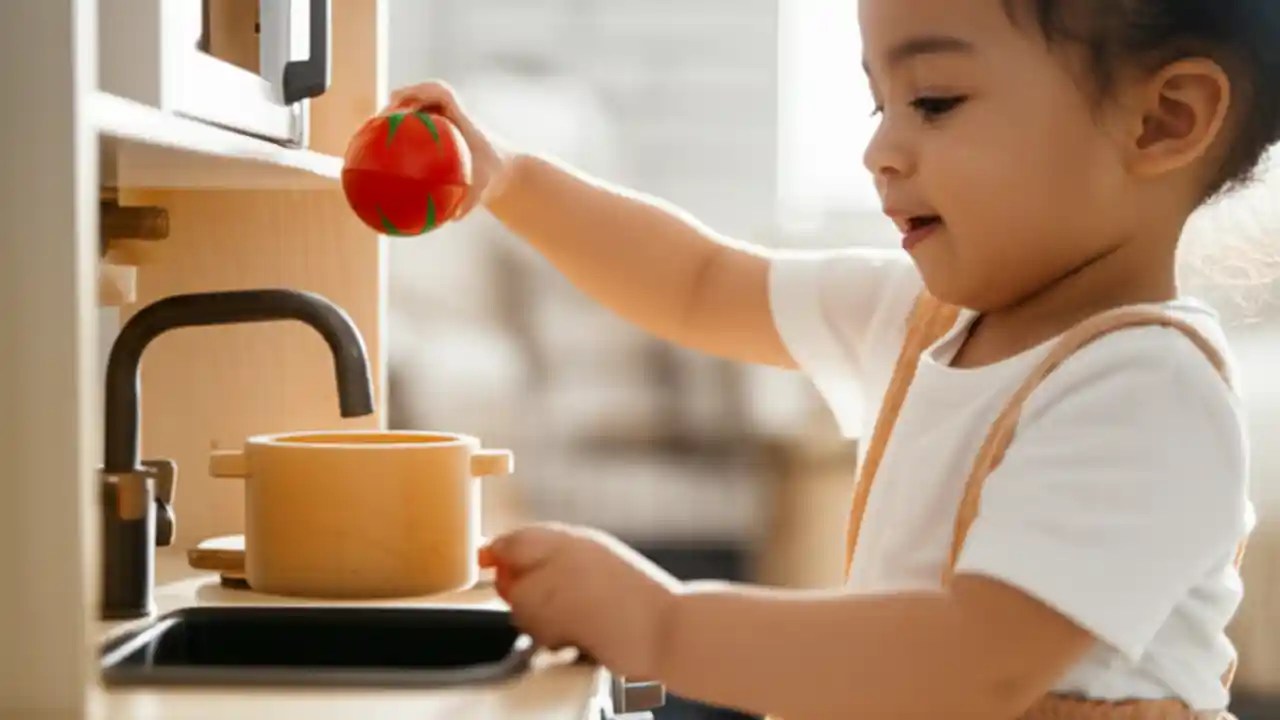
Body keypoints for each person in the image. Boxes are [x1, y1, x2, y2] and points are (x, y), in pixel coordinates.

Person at [389, 1, 1280, 717]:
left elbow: (976, 662)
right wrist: (509, 180)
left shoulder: (1146, 388)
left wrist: (663, 624)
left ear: (1163, 120)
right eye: (878, 104)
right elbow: (698, 282)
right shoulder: (918, 314)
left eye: (934, 101)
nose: (880, 151)